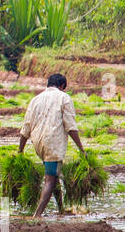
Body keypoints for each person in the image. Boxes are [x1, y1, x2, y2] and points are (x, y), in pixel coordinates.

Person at [18, 72, 85, 217]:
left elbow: (25, 128)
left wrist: (20, 151)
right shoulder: (64, 97)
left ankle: (61, 209)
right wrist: (81, 149)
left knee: (54, 174)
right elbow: (71, 126)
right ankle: (37, 215)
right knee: (50, 180)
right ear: (62, 86)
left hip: (38, 143)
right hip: (52, 143)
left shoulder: (35, 99)